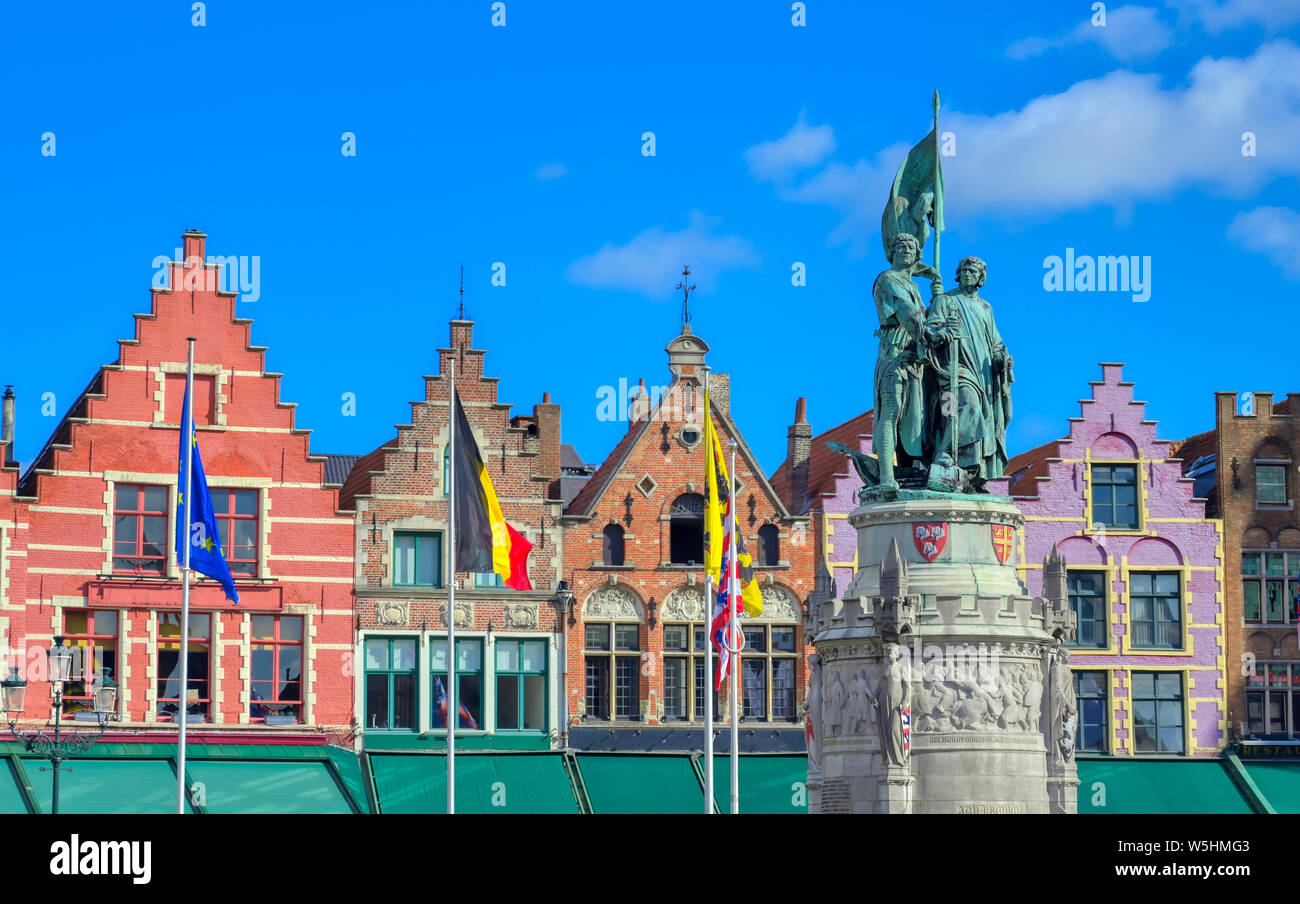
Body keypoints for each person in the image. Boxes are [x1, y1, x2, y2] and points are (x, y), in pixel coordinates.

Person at [925, 256, 1013, 481]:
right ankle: (944, 453)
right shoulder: (944, 300)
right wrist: (944, 329)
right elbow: (930, 332)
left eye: (973, 271)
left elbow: (994, 342)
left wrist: (1002, 359)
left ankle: (972, 471)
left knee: (980, 416)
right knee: (959, 407)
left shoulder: (986, 308)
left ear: (980, 277)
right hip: (951, 370)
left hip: (982, 373)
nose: (967, 273)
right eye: (964, 270)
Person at [871, 233, 946, 492]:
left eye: (911, 246)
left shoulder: (913, 285)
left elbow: (922, 318)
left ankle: (913, 465)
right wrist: (932, 332)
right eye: (900, 245)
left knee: (916, 418)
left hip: (915, 361)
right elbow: (908, 315)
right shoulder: (887, 280)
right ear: (892, 252)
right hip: (894, 357)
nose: (905, 248)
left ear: (917, 255)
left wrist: (939, 303)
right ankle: (886, 476)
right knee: (891, 413)